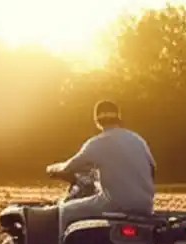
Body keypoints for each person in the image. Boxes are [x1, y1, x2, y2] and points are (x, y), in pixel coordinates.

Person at [47, 100, 156, 235]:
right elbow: (152, 168)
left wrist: (52, 169)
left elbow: (68, 167)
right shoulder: (138, 140)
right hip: (145, 206)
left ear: (97, 121)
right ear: (119, 118)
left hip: (116, 204)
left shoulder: (97, 143)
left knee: (65, 210)